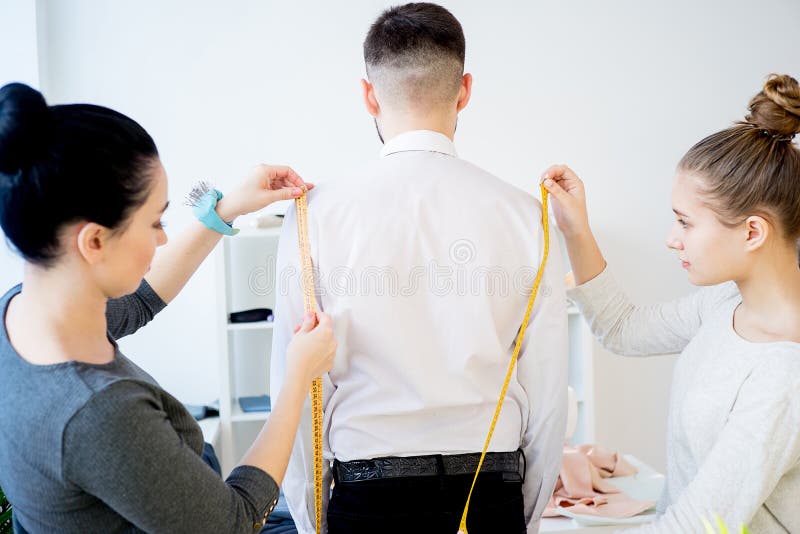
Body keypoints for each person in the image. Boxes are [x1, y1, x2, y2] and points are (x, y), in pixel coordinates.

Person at [270, 3, 567, 533]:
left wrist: (315, 519)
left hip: (367, 499)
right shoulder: (528, 216)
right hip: (489, 495)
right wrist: (525, 515)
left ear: (368, 96)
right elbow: (546, 391)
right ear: (465, 89)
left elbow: (296, 387)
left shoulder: (312, 217)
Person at [0, 82, 337, 533]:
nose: (162, 238)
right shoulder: (99, 415)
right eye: (155, 221)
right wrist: (298, 379)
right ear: (94, 240)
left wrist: (226, 210)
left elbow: (137, 301)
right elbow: (234, 522)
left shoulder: (21, 314)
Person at [541, 73, 800, 533]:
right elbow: (622, 329)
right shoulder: (724, 304)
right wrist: (575, 229)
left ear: (753, 232)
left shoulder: (785, 376)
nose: (671, 239)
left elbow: (700, 523)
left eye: (685, 223)